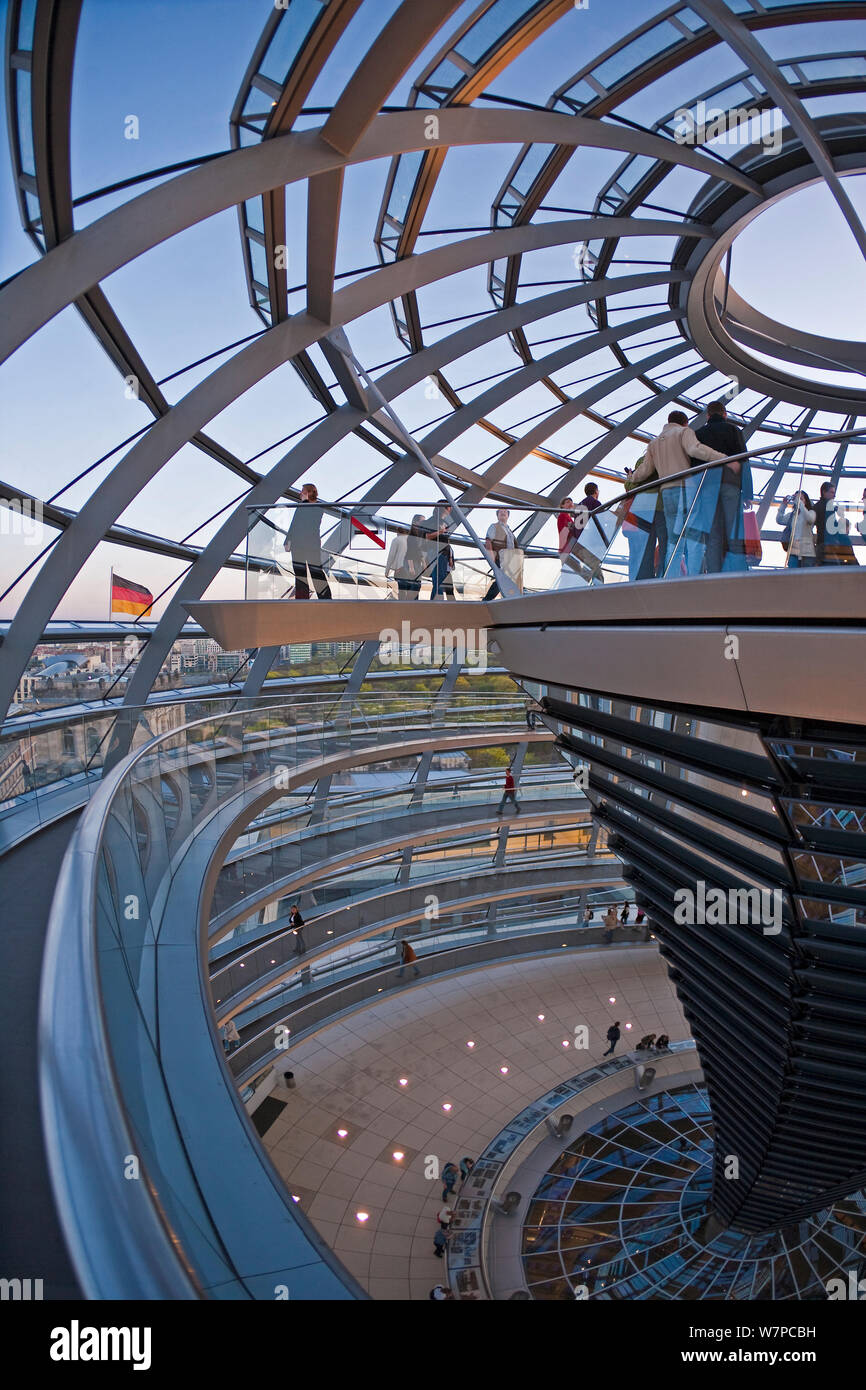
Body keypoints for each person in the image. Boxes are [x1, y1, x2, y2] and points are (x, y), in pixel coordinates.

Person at [628, 411, 726, 574]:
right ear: (685, 423)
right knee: (694, 537)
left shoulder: (654, 443)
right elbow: (695, 449)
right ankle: (694, 579)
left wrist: (632, 477)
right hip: (685, 488)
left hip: (666, 493)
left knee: (674, 541)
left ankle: (671, 577)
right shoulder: (684, 432)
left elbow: (644, 471)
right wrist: (722, 457)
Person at [694, 401, 752, 573]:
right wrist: (748, 492)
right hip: (731, 484)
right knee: (733, 530)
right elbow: (744, 459)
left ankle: (713, 574)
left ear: (708, 416)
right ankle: (737, 572)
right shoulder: (733, 430)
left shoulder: (699, 433)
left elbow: (695, 463)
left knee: (712, 534)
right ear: (725, 414)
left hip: (707, 487)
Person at [285, 482, 332, 599]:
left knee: (315, 571)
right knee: (300, 574)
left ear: (310, 492)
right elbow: (294, 524)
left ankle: (326, 599)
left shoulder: (318, 507)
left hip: (311, 545)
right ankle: (302, 599)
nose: (301, 493)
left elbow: (311, 521)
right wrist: (288, 540)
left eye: (303, 491)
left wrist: (305, 502)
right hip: (298, 544)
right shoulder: (301, 505)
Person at [816, 481, 859, 566]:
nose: (834, 495)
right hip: (828, 546)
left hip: (822, 544)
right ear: (824, 492)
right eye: (831, 492)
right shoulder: (828, 507)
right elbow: (831, 528)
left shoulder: (817, 506)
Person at [420, 503, 454, 599]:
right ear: (444, 508)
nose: (450, 510)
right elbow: (427, 536)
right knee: (439, 580)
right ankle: (437, 603)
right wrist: (441, 531)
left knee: (444, 581)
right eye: (449, 508)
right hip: (436, 552)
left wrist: (450, 557)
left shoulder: (444, 522)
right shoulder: (433, 521)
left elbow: (446, 541)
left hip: (443, 554)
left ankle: (440, 603)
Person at [776, 492, 816, 568]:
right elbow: (779, 519)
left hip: (807, 550)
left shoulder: (810, 513)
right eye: (797, 499)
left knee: (806, 573)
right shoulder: (792, 515)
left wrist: (799, 503)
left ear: (806, 501)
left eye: (801, 499)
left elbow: (810, 519)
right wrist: (783, 505)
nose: (798, 501)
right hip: (794, 549)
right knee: (792, 572)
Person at [385, 525, 409, 595]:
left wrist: (387, 571)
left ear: (398, 531)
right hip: (412, 568)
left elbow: (391, 556)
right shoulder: (411, 540)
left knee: (402, 591)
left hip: (400, 568)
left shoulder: (397, 540)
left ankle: (402, 605)